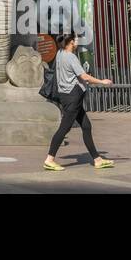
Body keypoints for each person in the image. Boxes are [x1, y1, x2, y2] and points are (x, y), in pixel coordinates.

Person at [43, 32, 114, 171]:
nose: (77, 42)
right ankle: (49, 159)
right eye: (75, 40)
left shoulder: (60, 54)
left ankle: (97, 159)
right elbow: (84, 76)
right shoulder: (71, 57)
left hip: (67, 96)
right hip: (72, 97)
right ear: (71, 43)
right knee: (64, 128)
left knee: (86, 126)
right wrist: (102, 82)